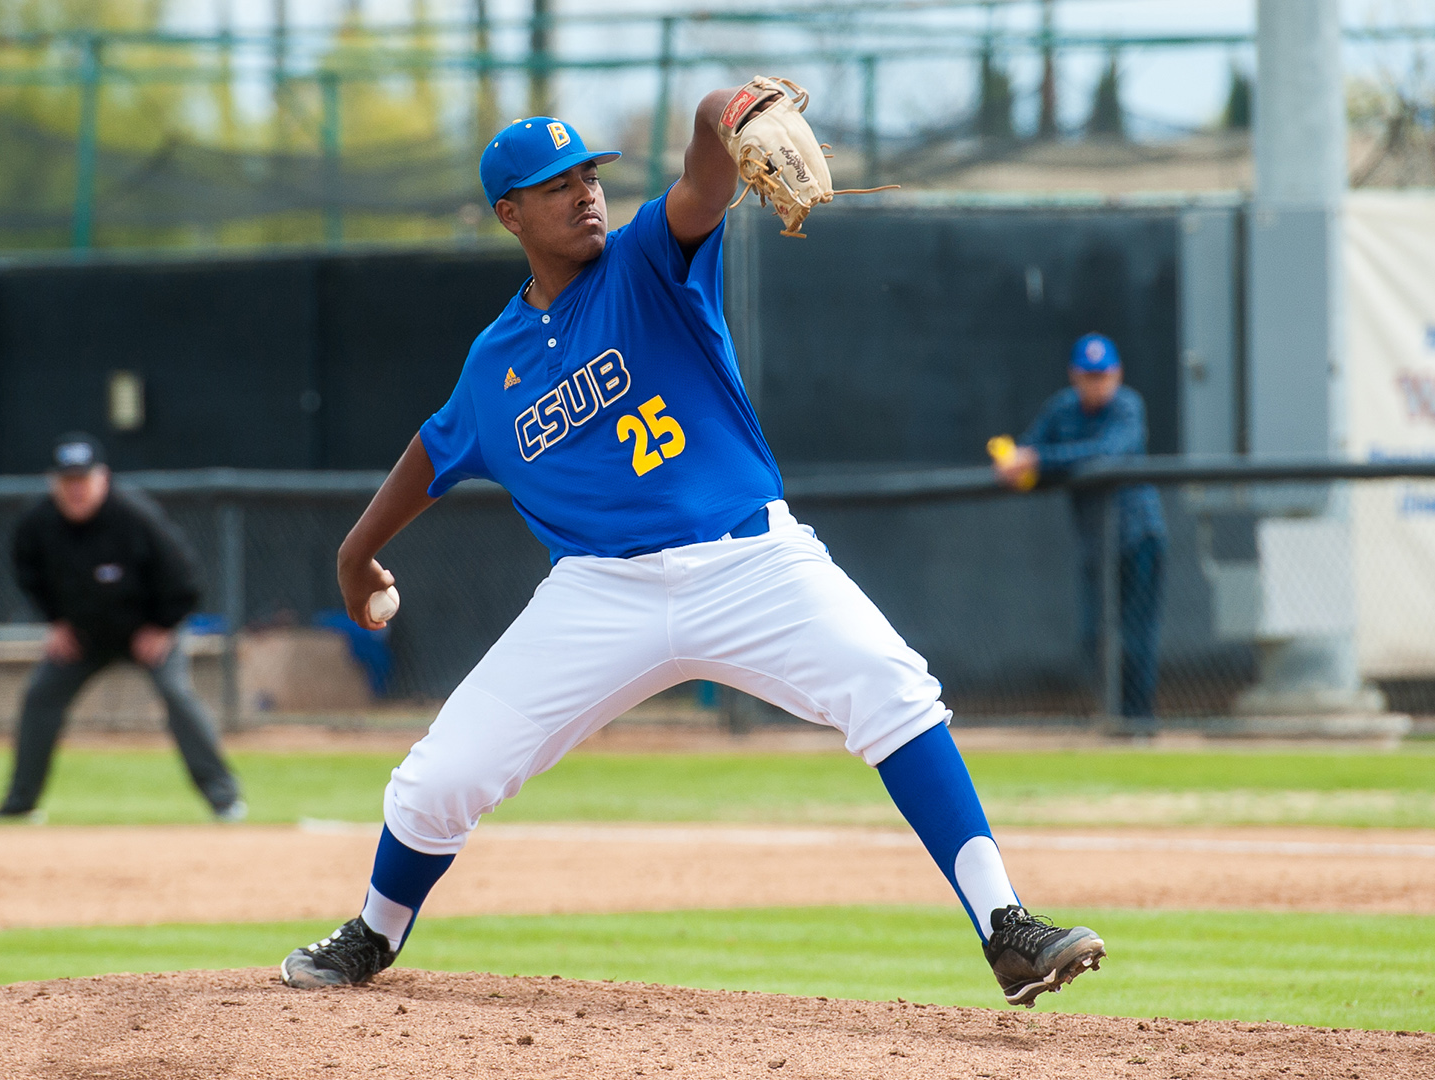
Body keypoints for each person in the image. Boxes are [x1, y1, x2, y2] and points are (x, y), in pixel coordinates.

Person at [275, 88, 1105, 1009]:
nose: (584, 193)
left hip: (751, 563)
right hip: (598, 595)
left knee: (891, 685)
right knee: (441, 776)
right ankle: (374, 934)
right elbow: (435, 451)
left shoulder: (647, 262)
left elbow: (703, 180)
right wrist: (357, 552)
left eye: (589, 173)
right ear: (509, 213)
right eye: (556, 185)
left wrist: (726, 110)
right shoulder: (494, 362)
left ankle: (1006, 926)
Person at [0, 433, 246, 823]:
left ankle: (224, 797)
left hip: (147, 633)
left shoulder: (135, 517)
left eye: (83, 479)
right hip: (84, 638)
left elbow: (186, 581)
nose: (75, 489)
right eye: (67, 481)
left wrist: (161, 627)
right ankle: (20, 804)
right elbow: (29, 575)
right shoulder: (37, 523)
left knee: (177, 694)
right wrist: (55, 622)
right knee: (41, 696)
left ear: (103, 478)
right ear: (52, 482)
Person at [994, 333, 1167, 729]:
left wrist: (1039, 460)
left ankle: (1137, 721)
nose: (1097, 383)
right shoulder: (1062, 409)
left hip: (1139, 535)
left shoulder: (1127, 406)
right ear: (1075, 376)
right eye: (1090, 376)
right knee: (1093, 635)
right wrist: (1016, 462)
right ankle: (1112, 713)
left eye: (1104, 375)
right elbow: (1029, 451)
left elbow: (1106, 454)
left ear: (1117, 374)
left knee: (1137, 635)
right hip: (1096, 540)